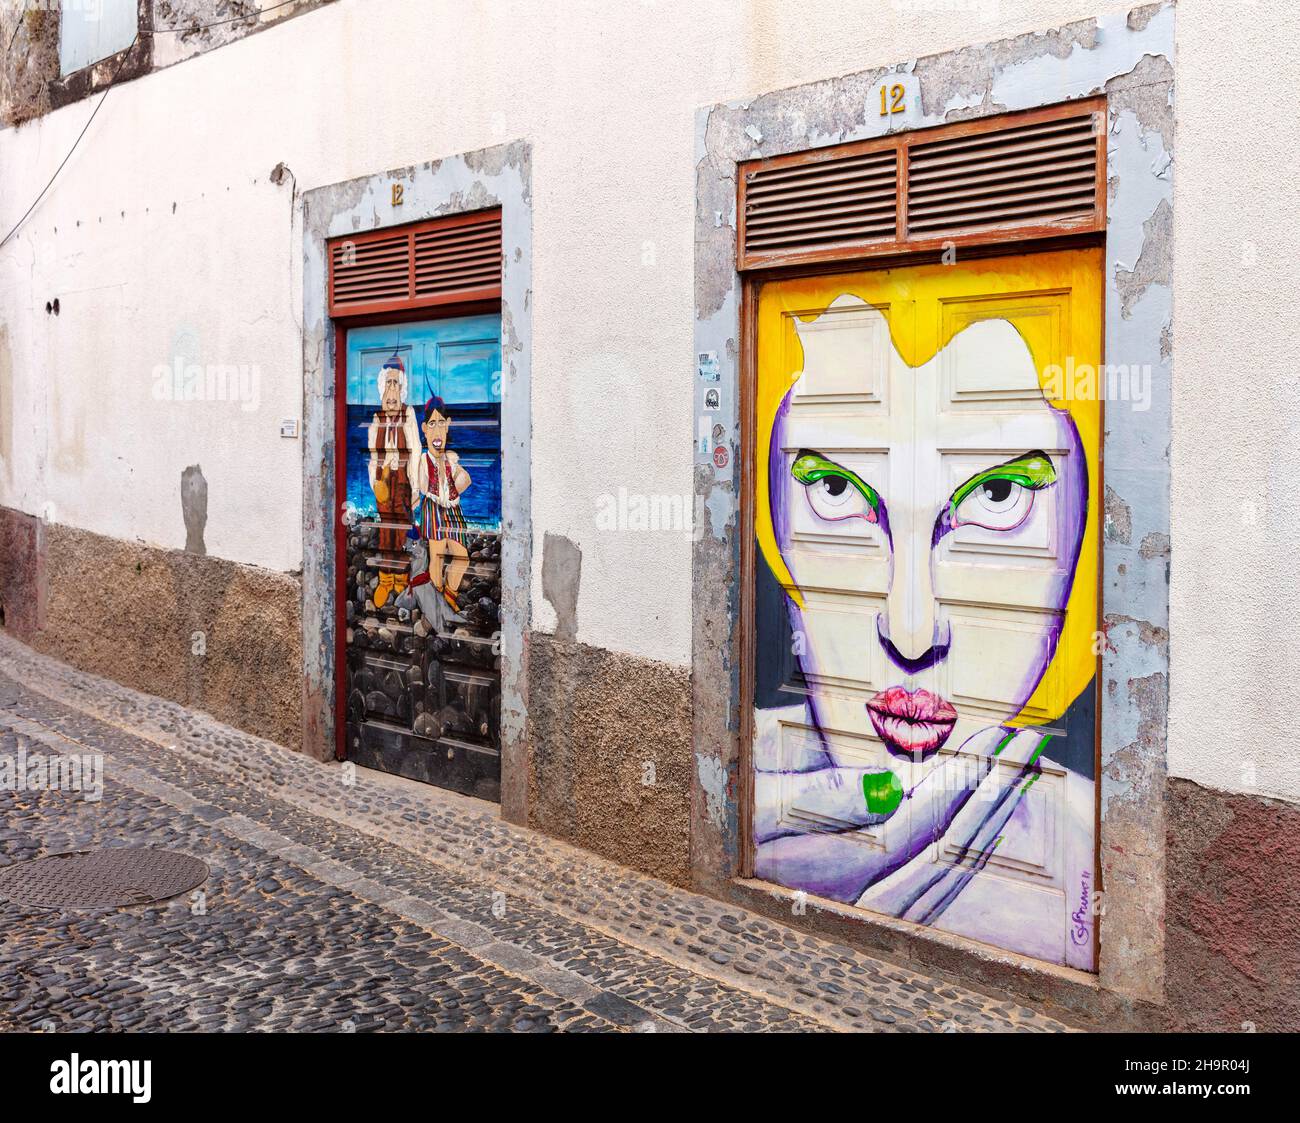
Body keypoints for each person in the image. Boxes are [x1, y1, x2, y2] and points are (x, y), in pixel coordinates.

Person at [367, 354, 421, 609]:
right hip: (383, 482)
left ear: (402, 388)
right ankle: (385, 579)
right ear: (381, 387)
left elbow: (416, 450)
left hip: (401, 482)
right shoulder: (377, 419)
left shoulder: (408, 414)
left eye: (395, 384)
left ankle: (401, 577)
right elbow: (372, 455)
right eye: (387, 384)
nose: (391, 390)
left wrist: (416, 487)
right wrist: (373, 484)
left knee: (400, 530)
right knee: (384, 531)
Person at [412, 395, 473, 612]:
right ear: (424, 429)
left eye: (441, 423)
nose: (437, 430)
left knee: (461, 556)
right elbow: (422, 485)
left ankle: (449, 594)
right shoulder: (424, 460)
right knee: (436, 555)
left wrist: (457, 475)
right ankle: (437, 599)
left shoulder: (451, 459)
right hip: (433, 508)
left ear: (447, 426)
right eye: (431, 424)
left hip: (453, 509)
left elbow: (465, 479)